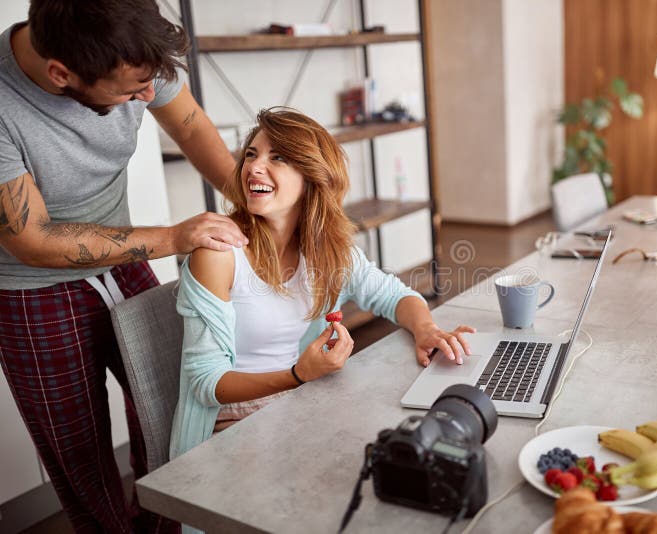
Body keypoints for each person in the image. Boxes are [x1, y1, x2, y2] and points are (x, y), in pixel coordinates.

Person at [0, 1, 247, 532]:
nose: (146, 96)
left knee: (173, 410)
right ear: (62, 74)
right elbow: (32, 240)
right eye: (131, 90)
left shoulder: (134, 47)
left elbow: (193, 129)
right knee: (80, 457)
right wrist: (174, 237)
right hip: (31, 288)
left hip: (123, 253)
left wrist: (257, 204)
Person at [171, 107, 476, 462]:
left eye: (278, 157)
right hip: (227, 423)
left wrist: (425, 329)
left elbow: (393, 295)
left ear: (312, 177)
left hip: (295, 401)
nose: (253, 166)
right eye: (251, 154)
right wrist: (298, 375)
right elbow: (206, 384)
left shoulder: (328, 251)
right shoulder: (219, 254)